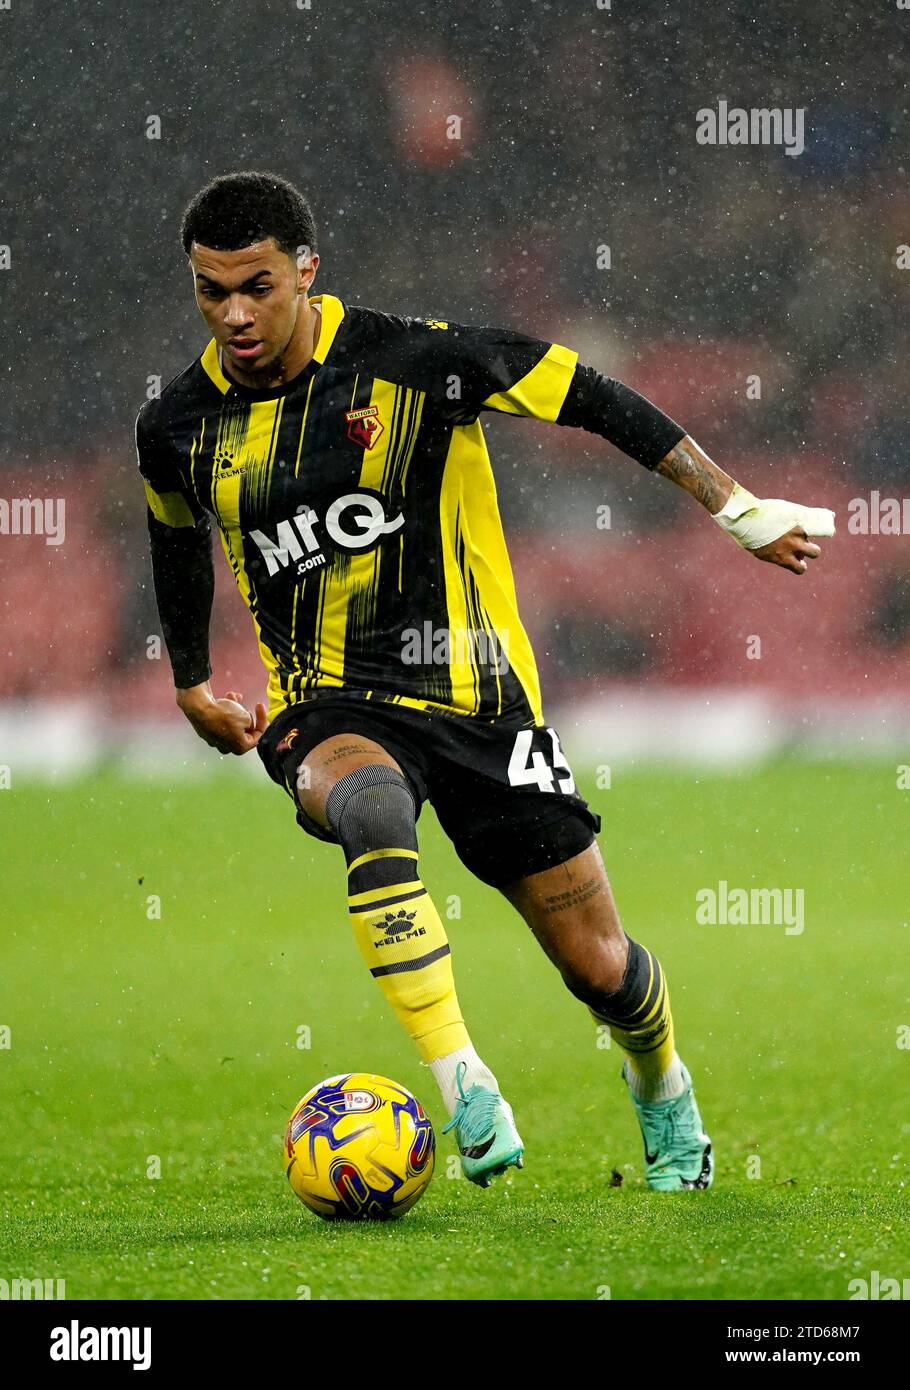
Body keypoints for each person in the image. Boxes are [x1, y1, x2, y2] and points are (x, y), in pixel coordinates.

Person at [137, 170, 834, 1192]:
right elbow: (175, 538)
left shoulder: (415, 360)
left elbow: (586, 393)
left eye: (256, 286)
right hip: (327, 699)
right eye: (210, 290)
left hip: (480, 700)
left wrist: (734, 508)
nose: (234, 313)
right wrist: (193, 680)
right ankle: (461, 1078)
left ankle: (660, 1084)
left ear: (304, 271)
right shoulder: (180, 424)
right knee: (368, 805)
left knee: (598, 965)